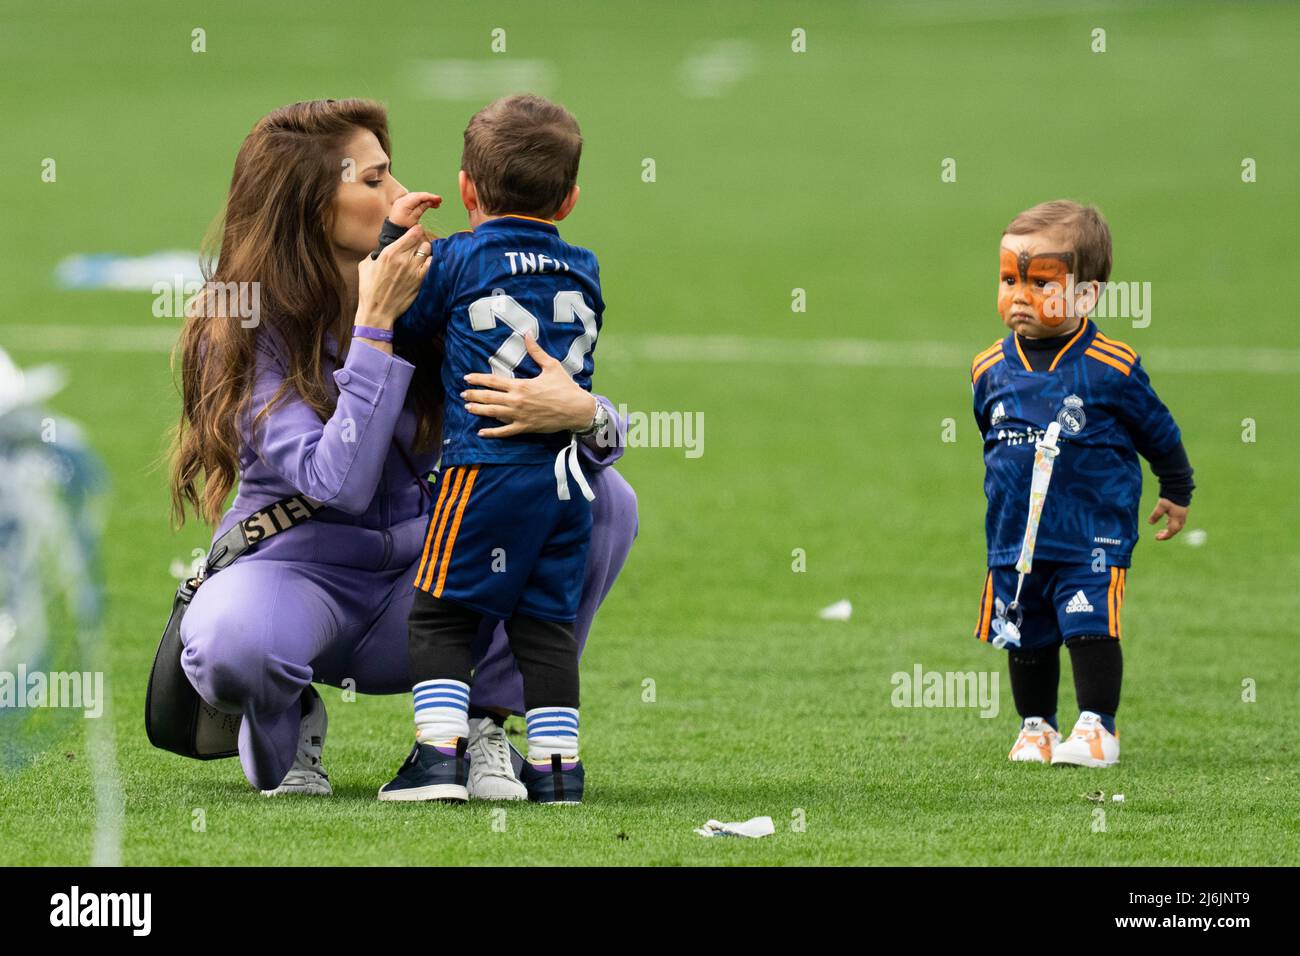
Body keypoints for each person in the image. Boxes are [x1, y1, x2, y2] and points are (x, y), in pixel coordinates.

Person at [169, 98, 637, 799]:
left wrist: (586, 414)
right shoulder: (239, 320)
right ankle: (284, 709)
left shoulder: (442, 278)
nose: (402, 196)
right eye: (374, 180)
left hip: (429, 581)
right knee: (240, 646)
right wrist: (375, 325)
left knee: (600, 500)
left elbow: (574, 421)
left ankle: (484, 724)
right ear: (307, 206)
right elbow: (341, 482)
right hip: (298, 575)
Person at [375, 94, 603, 805]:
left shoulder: (454, 257)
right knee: (545, 623)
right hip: (567, 478)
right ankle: (558, 768)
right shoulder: (585, 267)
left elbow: (400, 328)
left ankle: (438, 758)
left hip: (484, 469)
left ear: (467, 189)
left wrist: (390, 239)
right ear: (567, 201)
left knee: (442, 611)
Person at [970, 199, 1194, 767]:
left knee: (1089, 621)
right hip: (1015, 538)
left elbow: (1159, 430)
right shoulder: (988, 369)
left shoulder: (1111, 368)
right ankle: (1036, 728)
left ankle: (1097, 727)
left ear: (1087, 296)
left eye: (1041, 281)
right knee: (1025, 631)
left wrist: (1176, 485)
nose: (1019, 295)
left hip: (1091, 535)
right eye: (1007, 279)